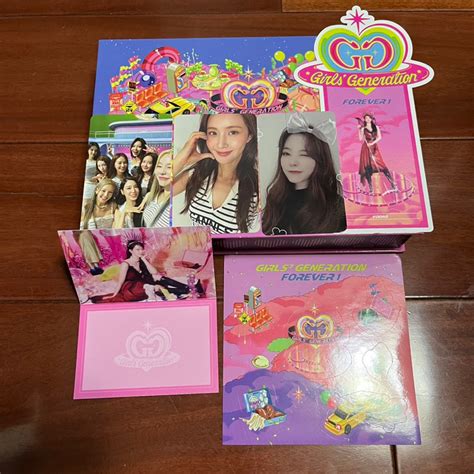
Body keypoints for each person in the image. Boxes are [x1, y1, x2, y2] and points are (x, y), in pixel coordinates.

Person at [173, 114, 259, 234]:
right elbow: (159, 192)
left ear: (249, 135)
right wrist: (179, 162)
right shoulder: (197, 174)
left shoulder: (258, 189)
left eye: (233, 132)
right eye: (213, 133)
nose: (221, 144)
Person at [262, 113, 346, 235]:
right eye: (286, 153)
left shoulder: (335, 205)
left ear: (320, 159)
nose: (293, 162)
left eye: (304, 154)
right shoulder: (274, 198)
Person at [91, 240, 199, 303]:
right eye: (137, 249)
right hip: (131, 288)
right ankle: (186, 290)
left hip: (142, 283)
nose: (141, 251)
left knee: (159, 278)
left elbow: (154, 272)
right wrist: (114, 294)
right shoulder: (126, 264)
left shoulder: (142, 260)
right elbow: (121, 281)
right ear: (130, 251)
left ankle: (187, 288)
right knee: (157, 287)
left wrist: (144, 259)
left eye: (141, 249)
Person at [357, 113, 396, 193]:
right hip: (366, 148)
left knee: (382, 165)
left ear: (371, 119)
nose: (367, 119)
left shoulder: (376, 127)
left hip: (374, 147)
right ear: (364, 120)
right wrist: (359, 130)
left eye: (369, 118)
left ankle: (393, 184)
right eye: (366, 118)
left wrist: (372, 143)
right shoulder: (363, 128)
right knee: (367, 167)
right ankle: (371, 188)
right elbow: (361, 139)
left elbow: (379, 137)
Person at [141, 149, 172, 228]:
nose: (162, 172)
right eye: (159, 166)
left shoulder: (177, 203)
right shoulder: (154, 195)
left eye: (169, 167)